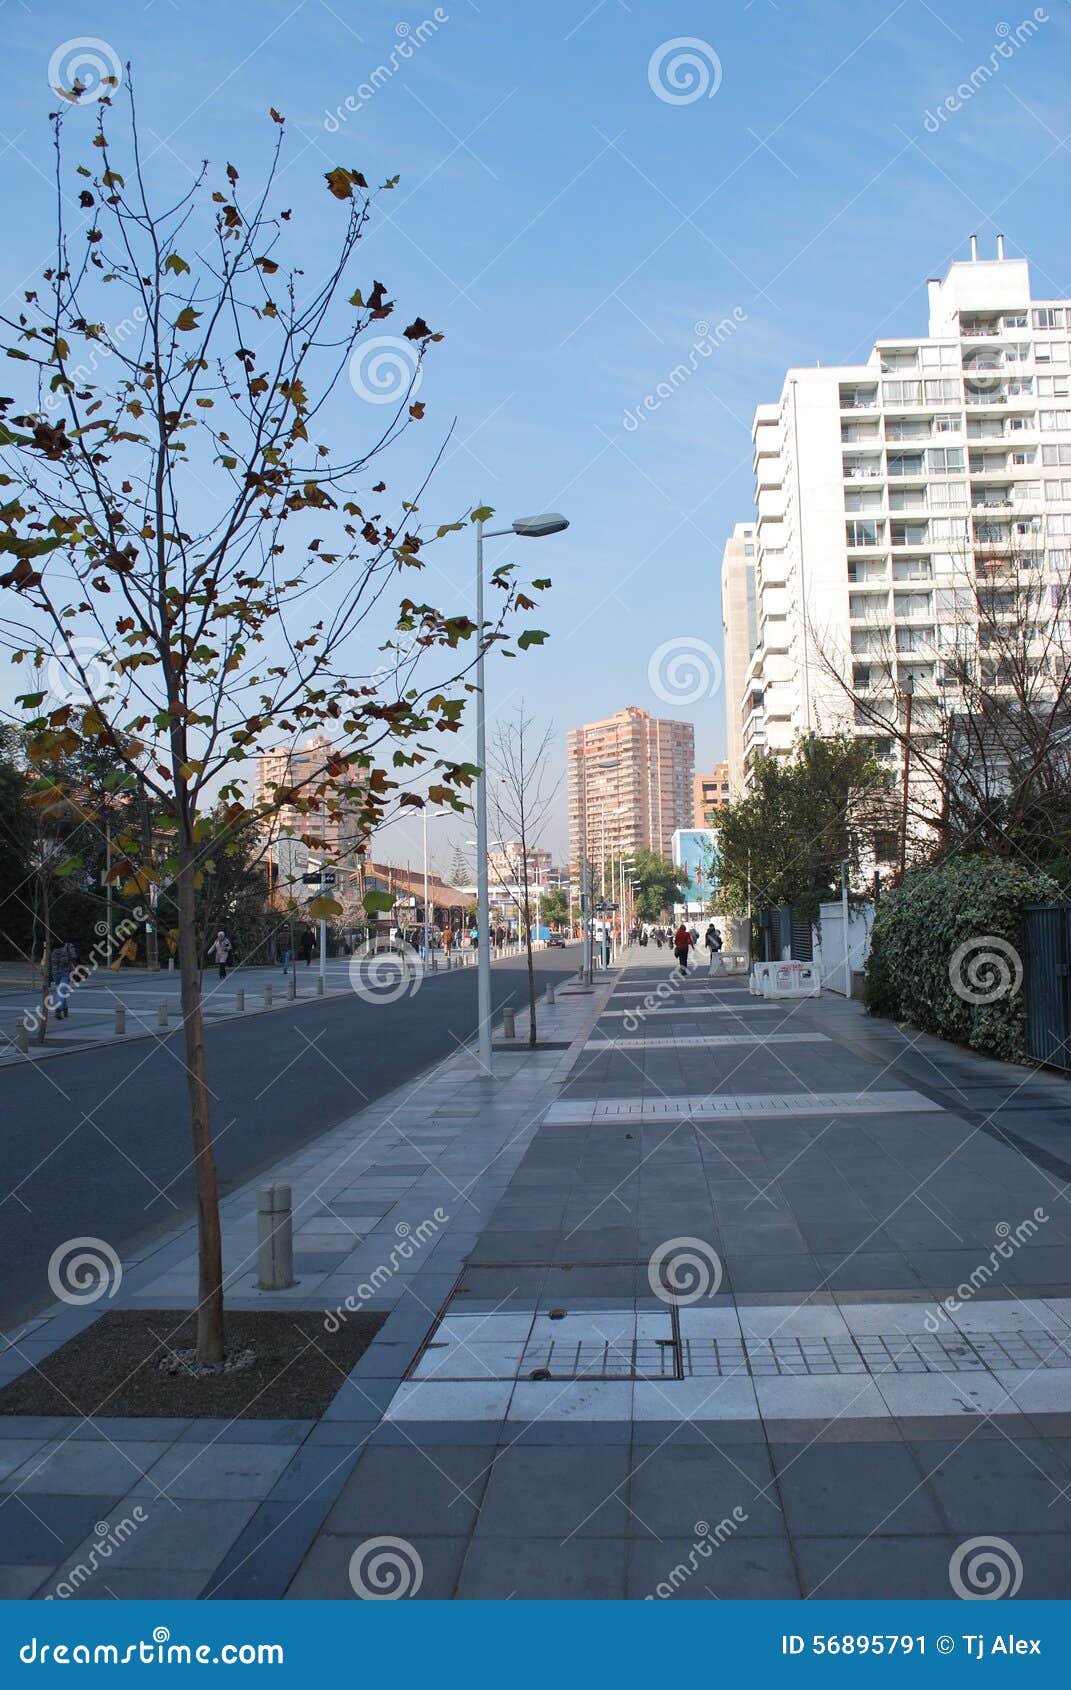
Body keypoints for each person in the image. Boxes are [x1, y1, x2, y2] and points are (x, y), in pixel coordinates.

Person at [51, 937, 78, 1019]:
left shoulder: (69, 946)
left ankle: (58, 1009)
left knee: (61, 991)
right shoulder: (51, 945)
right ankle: (65, 1008)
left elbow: (74, 957)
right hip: (55, 973)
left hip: (65, 972)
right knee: (61, 991)